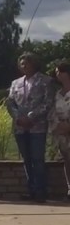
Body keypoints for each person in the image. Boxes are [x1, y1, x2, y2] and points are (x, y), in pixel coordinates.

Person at [7, 53, 55, 203]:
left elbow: (48, 102)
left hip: (37, 126)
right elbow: (10, 102)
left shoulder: (46, 81)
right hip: (20, 127)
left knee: (37, 159)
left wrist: (31, 116)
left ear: (34, 64)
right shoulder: (15, 83)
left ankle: (41, 191)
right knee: (27, 160)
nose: (24, 66)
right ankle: (31, 190)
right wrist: (17, 117)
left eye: (26, 63)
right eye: (21, 63)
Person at [51, 61, 70, 203]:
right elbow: (54, 112)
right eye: (56, 72)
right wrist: (57, 126)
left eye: (60, 71)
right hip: (62, 132)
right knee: (67, 160)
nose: (57, 74)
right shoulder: (58, 93)